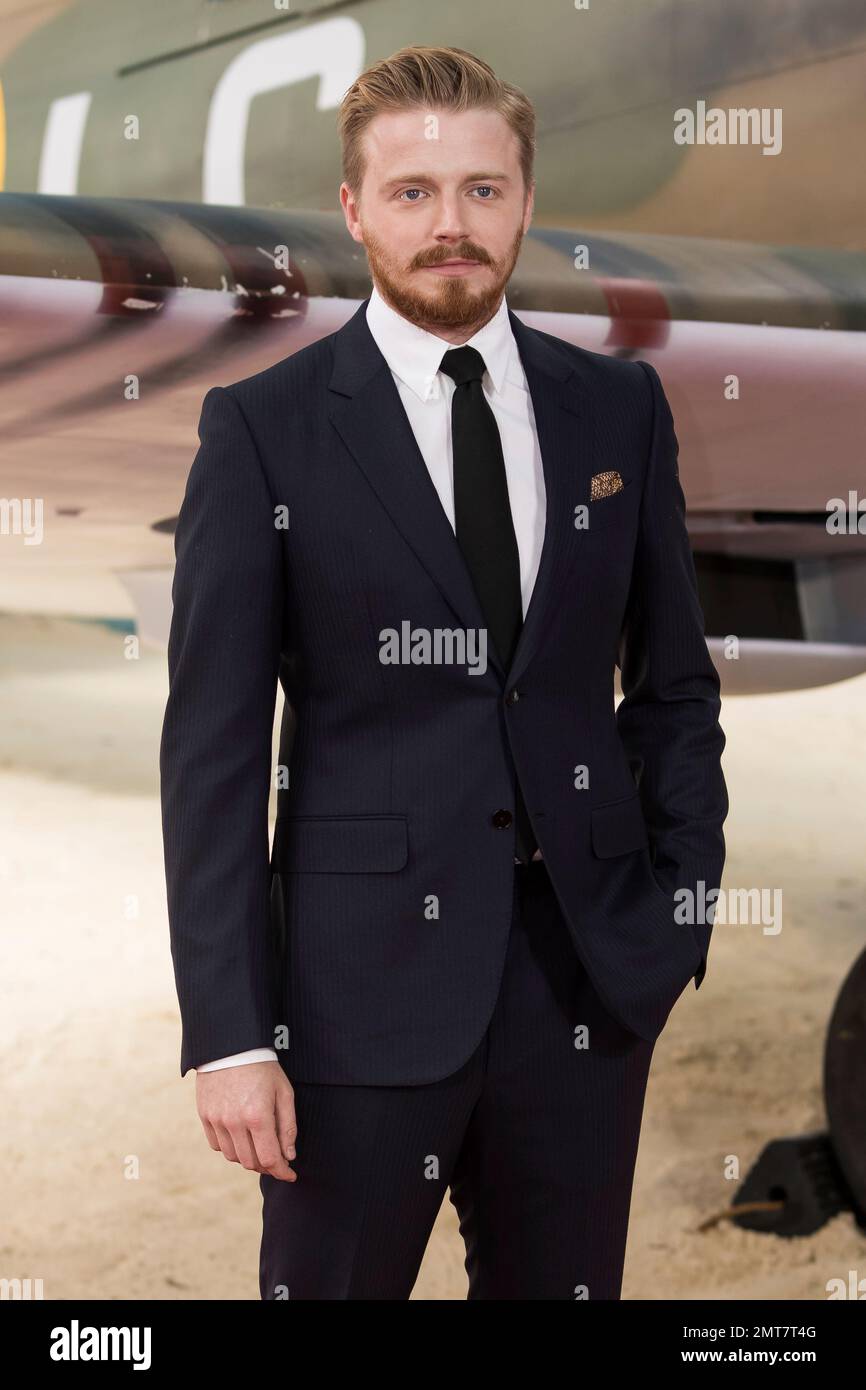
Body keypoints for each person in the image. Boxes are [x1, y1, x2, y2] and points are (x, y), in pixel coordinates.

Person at [159, 44, 728, 1300]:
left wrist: (677, 909)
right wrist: (230, 1032)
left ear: (525, 203)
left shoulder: (617, 410)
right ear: (353, 210)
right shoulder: (262, 431)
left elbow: (675, 687)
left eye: (481, 189)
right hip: (354, 997)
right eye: (412, 192)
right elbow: (210, 751)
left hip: (583, 983)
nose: (450, 225)